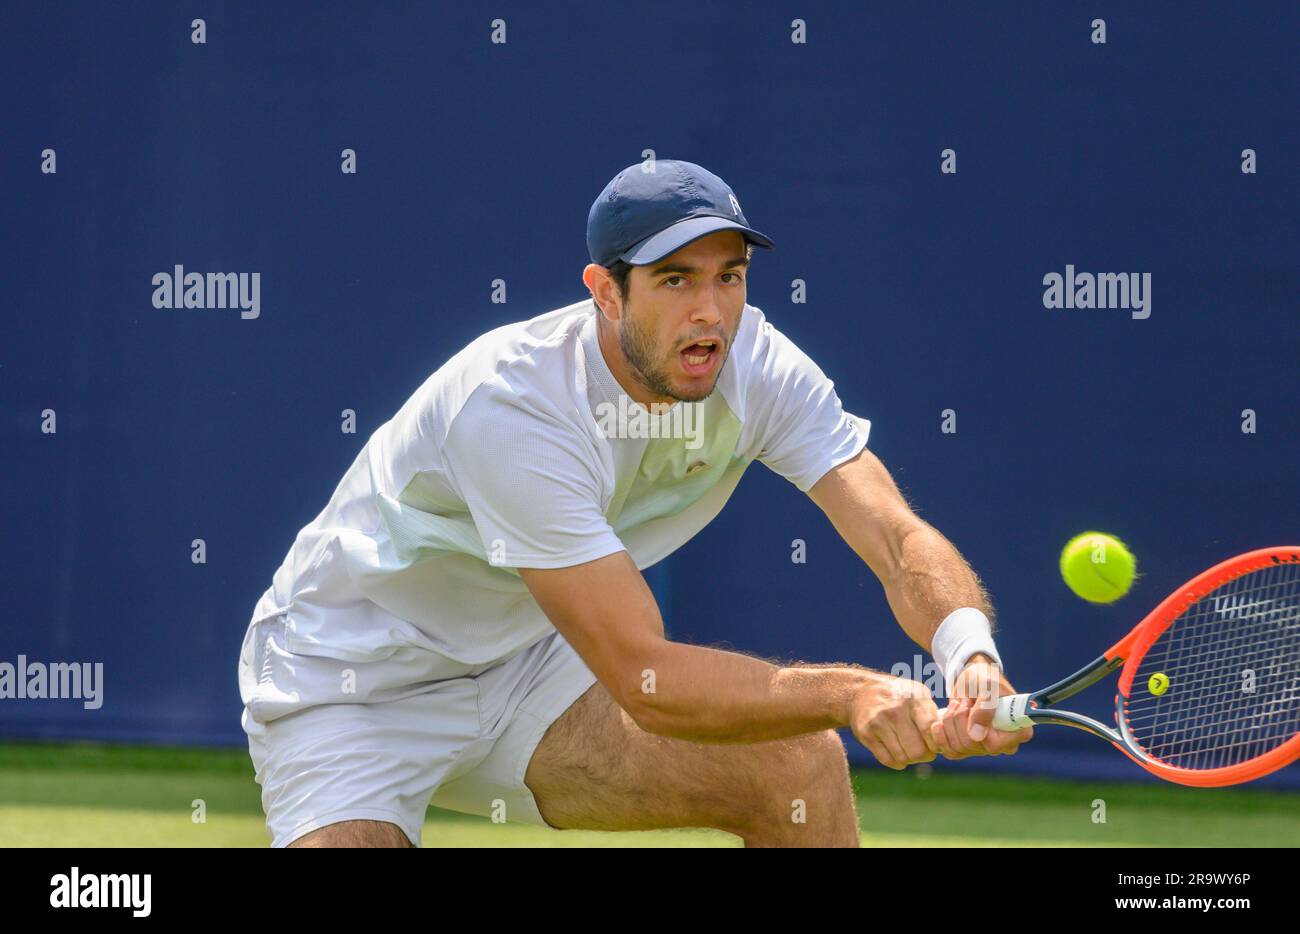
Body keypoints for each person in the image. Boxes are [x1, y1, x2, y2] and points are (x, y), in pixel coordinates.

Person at [238, 158, 1032, 848]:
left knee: (796, 762)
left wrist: (970, 656)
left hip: (525, 661)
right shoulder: (512, 406)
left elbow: (895, 538)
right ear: (605, 293)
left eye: (730, 277)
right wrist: (854, 691)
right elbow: (643, 674)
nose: (711, 313)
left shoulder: (761, 366)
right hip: (354, 681)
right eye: (675, 280)